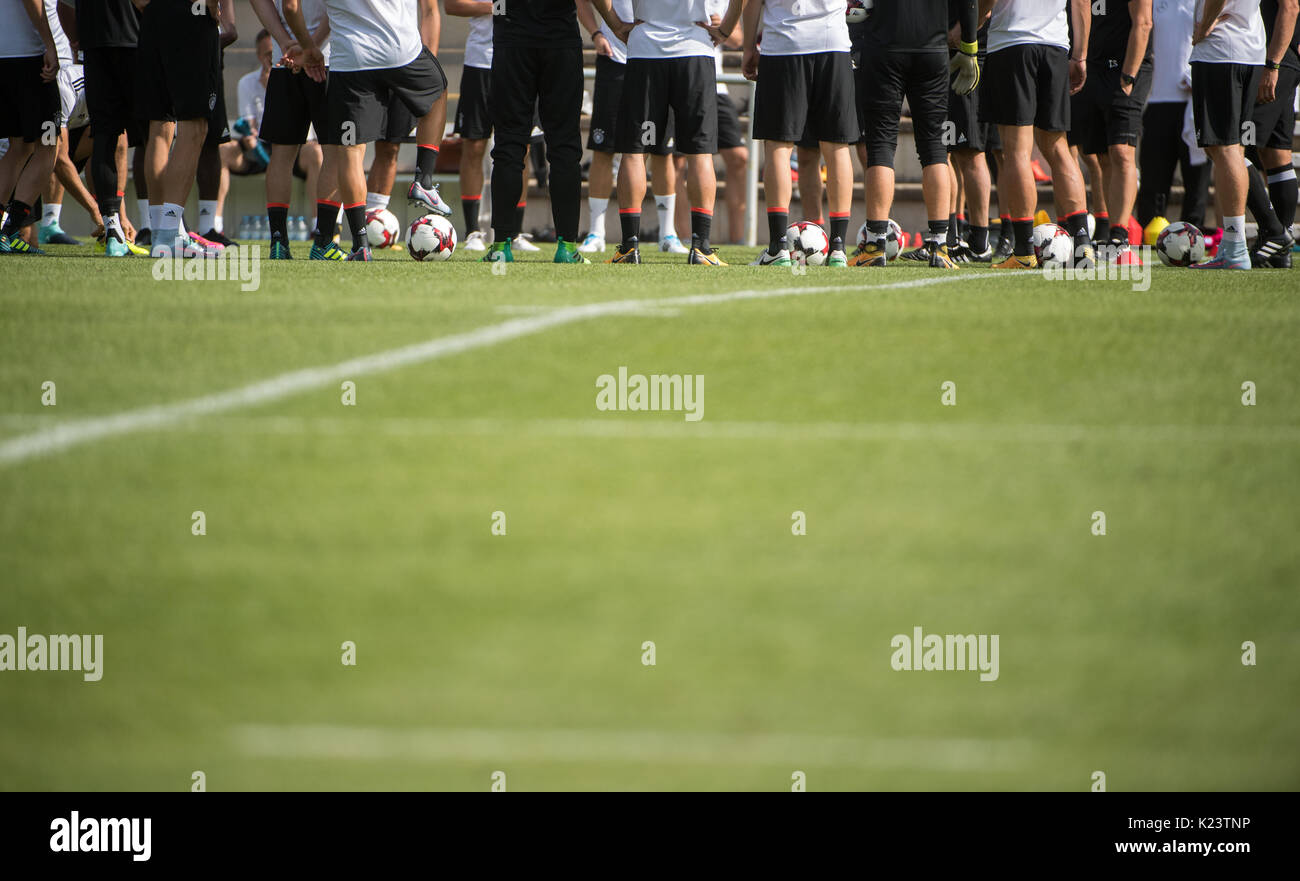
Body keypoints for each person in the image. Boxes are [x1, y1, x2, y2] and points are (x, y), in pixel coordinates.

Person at [285, 0, 450, 262]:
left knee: (350, 153)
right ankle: (424, 180)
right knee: (437, 93)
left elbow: (291, 7)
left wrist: (309, 46)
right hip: (400, 51)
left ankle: (360, 245)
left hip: (352, 61)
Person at [595, 0, 723, 266]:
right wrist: (727, 27)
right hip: (695, 49)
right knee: (699, 151)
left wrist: (615, 24)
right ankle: (701, 248)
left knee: (634, 151)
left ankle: (630, 247)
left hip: (646, 50)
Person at [979, 0, 1094, 270]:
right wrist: (1080, 55)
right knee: (1058, 148)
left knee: (1016, 151)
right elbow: (1081, 2)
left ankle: (1023, 251)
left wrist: (972, 25)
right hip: (1055, 46)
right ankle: (1083, 245)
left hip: (1012, 44)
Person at [575, 0, 687, 255]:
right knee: (604, 148)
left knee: (662, 150)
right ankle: (596, 232)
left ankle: (667, 234)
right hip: (615, 60)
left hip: (658, 57)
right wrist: (597, 33)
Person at [481, 0, 587, 263]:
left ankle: (502, 247)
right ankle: (566, 247)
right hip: (560, 40)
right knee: (564, 147)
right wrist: (614, 24)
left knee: (508, 145)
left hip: (512, 41)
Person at [250, 0, 341, 260]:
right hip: (326, 60)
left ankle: (278, 242)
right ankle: (323, 241)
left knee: (281, 155)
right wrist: (310, 46)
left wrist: (284, 42)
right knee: (334, 152)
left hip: (285, 59)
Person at [135, 0, 223, 258]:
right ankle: (169, 235)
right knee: (194, 128)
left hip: (153, 15)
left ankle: (162, 231)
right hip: (191, 14)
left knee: (161, 126)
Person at [1072, 0, 1153, 264]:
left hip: (1124, 69)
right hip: (1092, 70)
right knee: (1102, 155)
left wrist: (1128, 76)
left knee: (1121, 151)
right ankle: (1109, 235)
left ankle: (1121, 235)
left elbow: (1143, 23)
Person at [1189, 0, 1268, 270]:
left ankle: (1235, 247)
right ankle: (1232, 245)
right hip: (1248, 49)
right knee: (1229, 150)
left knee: (1225, 148)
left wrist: (1205, 26)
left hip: (1221, 51)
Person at [1134, 0, 1211, 232]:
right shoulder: (1153, 3)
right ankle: (1149, 233)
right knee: (1153, 181)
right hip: (1158, 100)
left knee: (1196, 179)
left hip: (1194, 100)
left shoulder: (1205, 3)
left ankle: (1193, 233)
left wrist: (1197, 77)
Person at [0, 0, 62, 255]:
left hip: (6, 58)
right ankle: (11, 229)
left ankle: (7, 230)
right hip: (29, 60)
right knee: (48, 144)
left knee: (19, 146)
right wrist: (50, 44)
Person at [1244, 0, 1298, 267]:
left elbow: (1290, 6)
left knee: (1238, 147)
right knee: (1276, 152)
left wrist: (1272, 64)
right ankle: (1279, 249)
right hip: (1280, 55)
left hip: (1274, 58)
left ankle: (1273, 232)